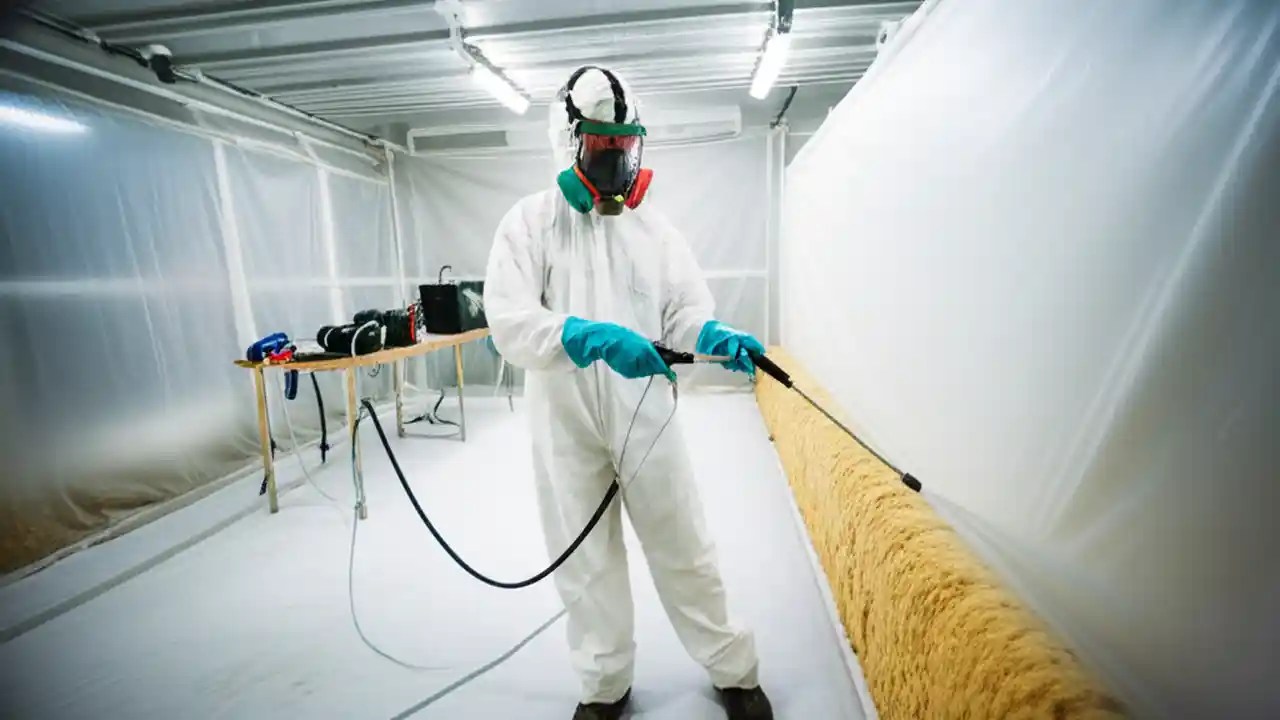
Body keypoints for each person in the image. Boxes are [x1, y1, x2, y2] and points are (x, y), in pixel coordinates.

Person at [483, 66, 775, 720]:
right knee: (585, 563)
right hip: (565, 418)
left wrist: (715, 334)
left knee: (683, 543)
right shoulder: (529, 225)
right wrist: (584, 335)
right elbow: (508, 320)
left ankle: (734, 670)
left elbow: (683, 313)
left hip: (645, 414)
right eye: (602, 147)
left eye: (625, 147)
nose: (616, 162)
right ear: (569, 141)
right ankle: (604, 685)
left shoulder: (655, 232)